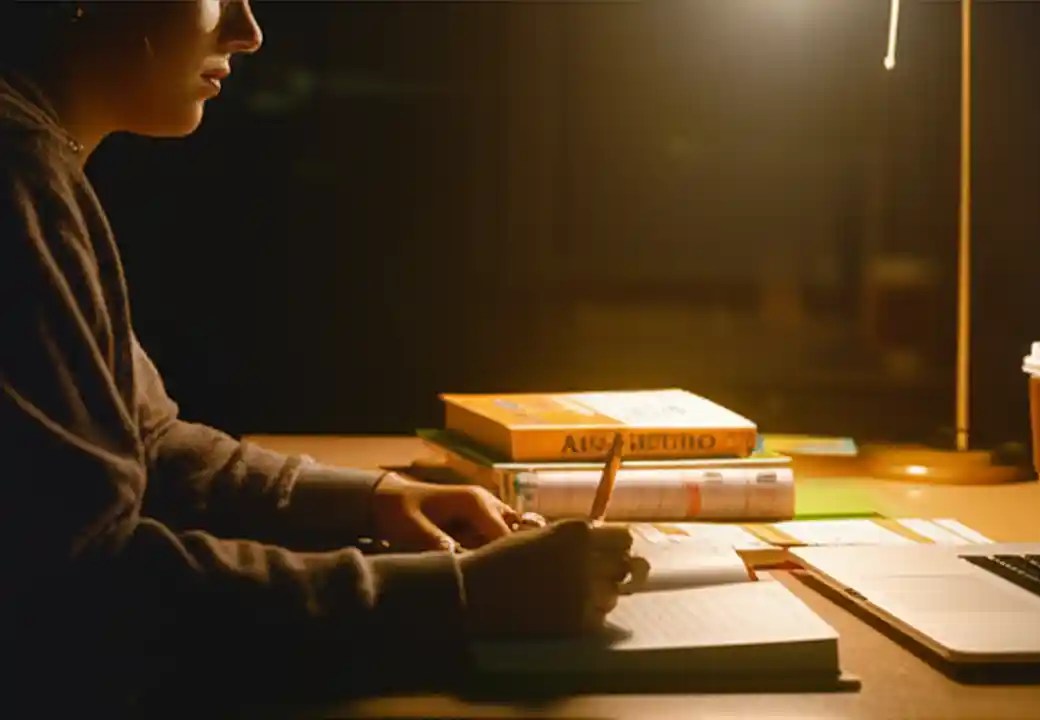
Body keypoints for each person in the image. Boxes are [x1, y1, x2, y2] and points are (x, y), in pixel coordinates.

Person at [0, 0, 634, 711]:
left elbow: (147, 443)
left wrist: (376, 499)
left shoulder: (36, 164)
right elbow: (80, 594)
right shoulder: (17, 185)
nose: (247, 30)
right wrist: (462, 597)